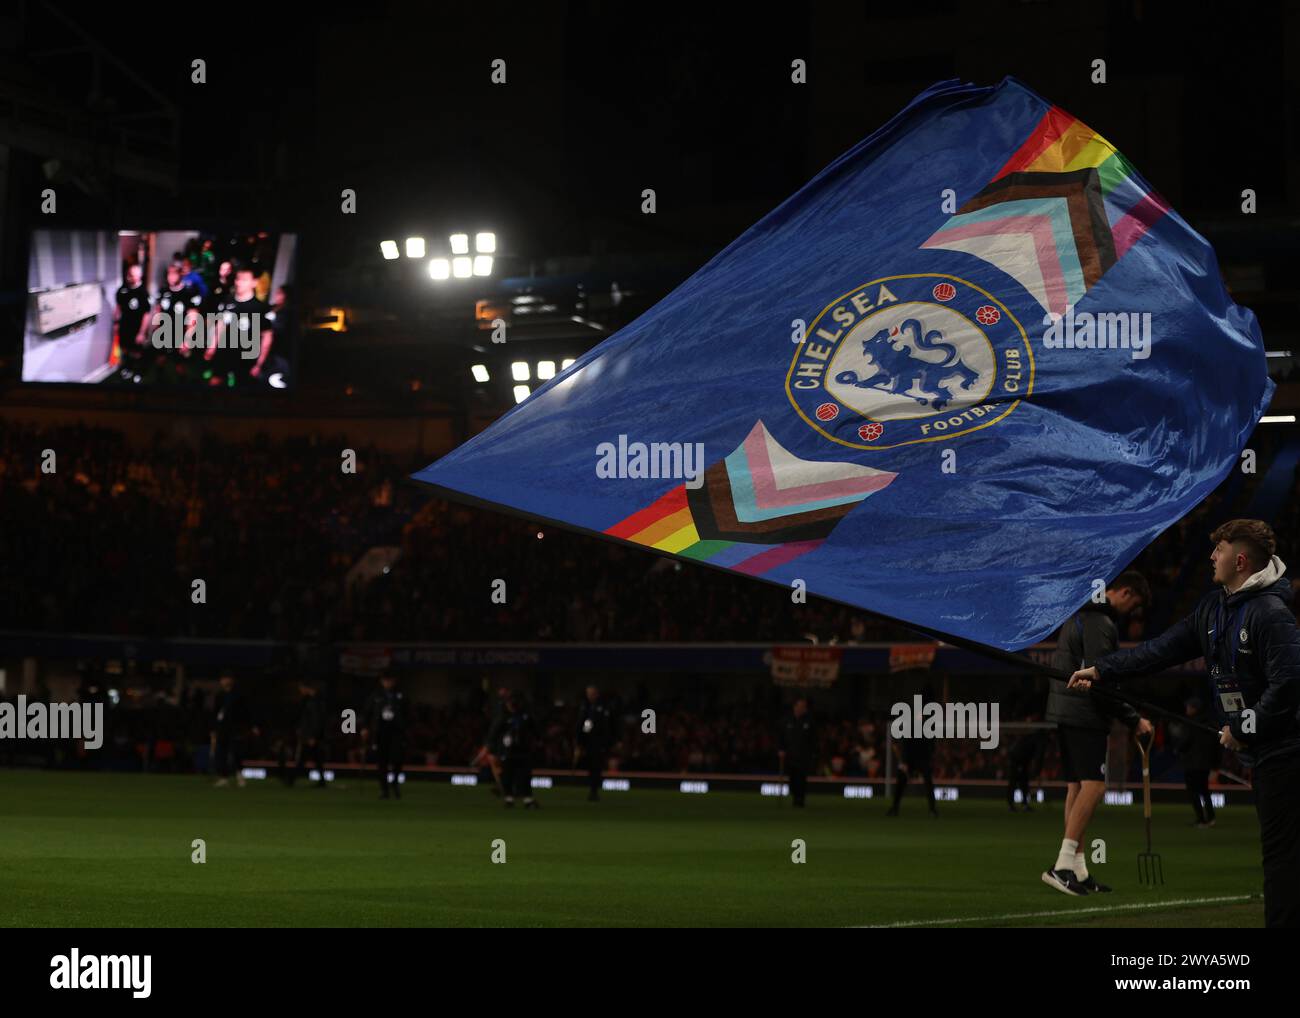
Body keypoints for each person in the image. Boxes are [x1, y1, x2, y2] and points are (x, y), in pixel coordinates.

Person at [1070, 520, 1300, 927]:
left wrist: (1243, 728)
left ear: (1241, 560)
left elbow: (1288, 687)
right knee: (1281, 856)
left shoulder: (1272, 614)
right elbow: (1159, 651)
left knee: (1281, 860)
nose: (1211, 556)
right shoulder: (1213, 608)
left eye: (1220, 549)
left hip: (1287, 754)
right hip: (1264, 753)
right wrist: (1102, 670)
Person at [1042, 571, 1153, 896]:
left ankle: (1077, 867)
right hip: (1083, 712)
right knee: (1093, 786)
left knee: (1077, 787)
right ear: (1126, 592)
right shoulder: (1099, 621)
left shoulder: (1083, 612)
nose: (1131, 612)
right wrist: (1135, 720)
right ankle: (1061, 866)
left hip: (1067, 710)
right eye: (1133, 604)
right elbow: (1102, 678)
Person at [1169, 697, 1221, 827]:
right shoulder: (1209, 723)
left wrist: (1177, 749)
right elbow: (1216, 745)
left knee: (1193, 792)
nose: (1187, 709)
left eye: (1189, 707)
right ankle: (1211, 818)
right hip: (1205, 764)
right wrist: (1215, 764)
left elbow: (1185, 741)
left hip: (1192, 764)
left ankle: (1201, 819)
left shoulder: (1190, 723)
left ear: (1194, 708)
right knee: (1204, 791)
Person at [489, 691, 539, 809]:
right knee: (507, 775)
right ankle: (509, 798)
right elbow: (494, 734)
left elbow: (535, 730)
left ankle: (528, 799)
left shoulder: (525, 716)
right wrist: (493, 751)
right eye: (510, 702)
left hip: (523, 751)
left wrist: (536, 741)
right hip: (507, 752)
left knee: (525, 775)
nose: (512, 705)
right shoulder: (503, 717)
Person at [362, 674, 408, 800]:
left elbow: (408, 713)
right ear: (382, 681)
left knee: (397, 759)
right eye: (385, 680)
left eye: (390, 680)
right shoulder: (376, 695)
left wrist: (405, 728)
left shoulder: (400, 695)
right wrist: (365, 728)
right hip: (380, 733)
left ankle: (395, 783)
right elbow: (367, 712)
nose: (388, 683)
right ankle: (384, 789)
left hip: (396, 733)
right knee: (381, 762)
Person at [210, 674, 257, 787]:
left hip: (236, 728)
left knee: (236, 751)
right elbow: (215, 713)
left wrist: (252, 726)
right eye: (222, 679)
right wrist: (213, 729)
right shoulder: (220, 695)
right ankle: (223, 777)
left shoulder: (239, 695)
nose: (224, 681)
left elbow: (246, 712)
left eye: (226, 678)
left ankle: (239, 775)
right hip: (222, 728)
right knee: (220, 752)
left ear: (231, 680)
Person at [574, 685, 613, 801]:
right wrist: (579, 740)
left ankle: (594, 791)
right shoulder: (585, 706)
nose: (589, 696)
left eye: (591, 693)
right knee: (590, 767)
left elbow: (607, 726)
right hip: (587, 742)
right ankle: (592, 790)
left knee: (596, 767)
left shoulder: (603, 707)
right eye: (588, 693)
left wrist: (607, 742)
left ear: (596, 694)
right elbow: (582, 724)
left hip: (598, 742)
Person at [290, 679, 328, 788]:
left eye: (301, 688)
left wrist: (312, 736)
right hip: (311, 735)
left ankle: (291, 779)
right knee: (316, 759)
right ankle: (321, 781)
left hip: (311, 736)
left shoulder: (315, 702)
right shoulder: (311, 700)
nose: (300, 691)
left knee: (304, 758)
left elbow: (316, 720)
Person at [113, 264, 151, 371]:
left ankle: (139, 371)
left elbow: (146, 315)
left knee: (137, 352)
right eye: (129, 274)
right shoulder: (122, 289)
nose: (130, 277)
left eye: (133, 275)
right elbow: (118, 308)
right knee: (124, 349)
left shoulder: (143, 293)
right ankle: (127, 368)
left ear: (139, 276)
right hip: (124, 326)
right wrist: (116, 323)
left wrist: (142, 333)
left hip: (138, 328)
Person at [778, 698, 815, 807]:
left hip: (804, 756)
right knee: (792, 778)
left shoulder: (809, 722)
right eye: (800, 706)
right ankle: (795, 796)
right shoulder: (786, 721)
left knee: (801, 778)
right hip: (790, 756)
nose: (802, 708)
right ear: (795, 706)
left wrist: (812, 753)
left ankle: (800, 799)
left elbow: (813, 739)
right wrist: (781, 749)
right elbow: (781, 737)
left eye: (804, 706)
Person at [1007, 715, 1046, 812]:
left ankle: (1024, 804)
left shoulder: (1032, 738)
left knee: (1023, 783)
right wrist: (1036, 771)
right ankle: (1011, 805)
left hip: (1022, 761)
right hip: (1016, 760)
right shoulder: (1035, 739)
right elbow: (1037, 756)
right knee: (1014, 782)